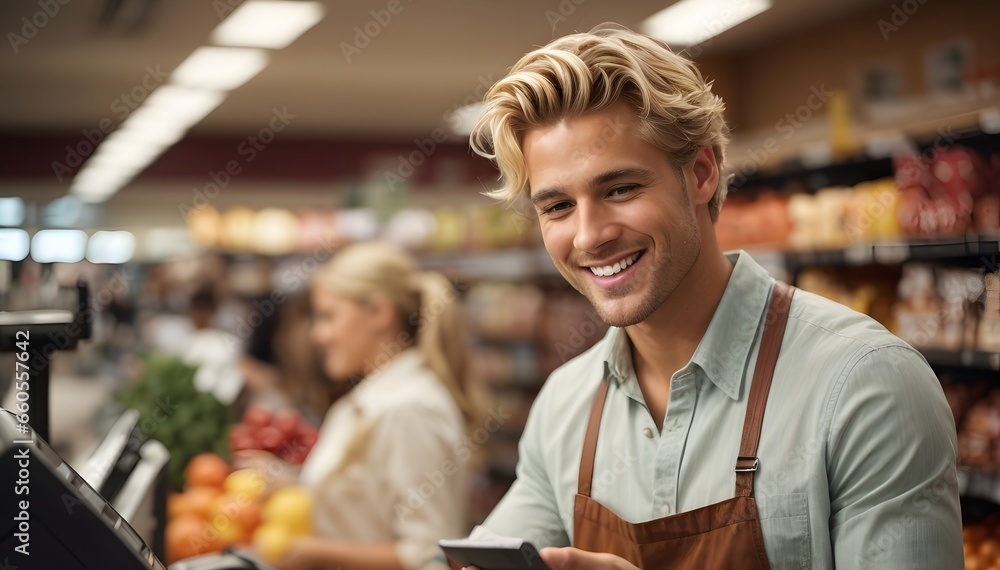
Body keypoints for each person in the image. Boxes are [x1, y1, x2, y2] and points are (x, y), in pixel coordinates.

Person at [457, 23, 963, 569]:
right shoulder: (565, 405)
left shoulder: (866, 385)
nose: (588, 235)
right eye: (557, 206)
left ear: (700, 173)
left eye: (620, 189)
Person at [242, 241, 481, 570]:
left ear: (379, 313)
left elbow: (429, 554)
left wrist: (312, 552)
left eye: (328, 316)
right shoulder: (374, 397)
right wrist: (291, 483)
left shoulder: (410, 409)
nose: (317, 335)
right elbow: (370, 504)